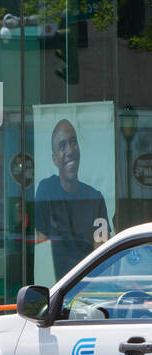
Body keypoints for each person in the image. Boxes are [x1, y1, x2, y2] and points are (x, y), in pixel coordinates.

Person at [34, 118, 110, 276]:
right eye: (62, 146)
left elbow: (102, 251)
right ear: (55, 159)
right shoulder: (46, 190)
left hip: (88, 285)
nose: (69, 150)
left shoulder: (96, 199)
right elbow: (42, 247)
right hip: (57, 285)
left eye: (73, 142)